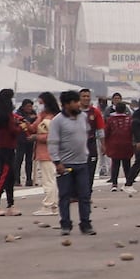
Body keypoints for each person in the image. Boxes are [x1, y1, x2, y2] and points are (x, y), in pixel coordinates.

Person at [47, 90, 96, 237]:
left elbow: (85, 134)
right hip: (65, 164)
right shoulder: (57, 121)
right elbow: (52, 143)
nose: (79, 104)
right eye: (75, 102)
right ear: (67, 105)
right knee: (65, 196)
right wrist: (57, 162)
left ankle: (86, 224)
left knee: (84, 195)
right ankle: (65, 225)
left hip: (82, 163)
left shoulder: (83, 117)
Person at [103, 96, 135, 189]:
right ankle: (128, 183)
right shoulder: (129, 120)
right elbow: (133, 132)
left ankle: (114, 184)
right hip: (127, 144)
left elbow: (106, 133)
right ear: (125, 109)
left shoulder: (110, 120)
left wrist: (105, 144)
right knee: (127, 164)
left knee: (115, 164)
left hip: (114, 145)